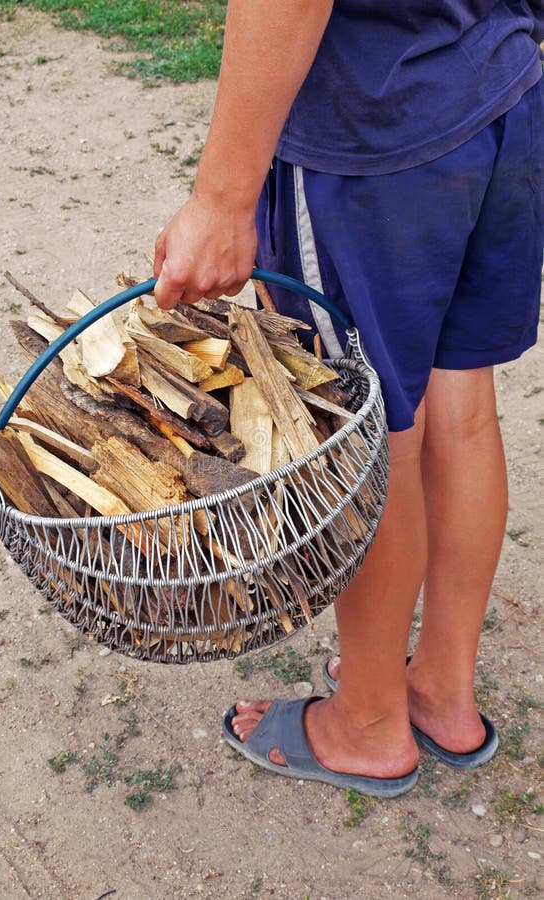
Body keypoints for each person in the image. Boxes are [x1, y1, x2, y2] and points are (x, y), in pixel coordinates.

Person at [153, 1, 543, 797]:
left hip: (374, 132)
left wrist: (223, 199)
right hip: (497, 86)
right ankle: (441, 690)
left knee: (364, 434)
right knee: (460, 405)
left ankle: (367, 724)